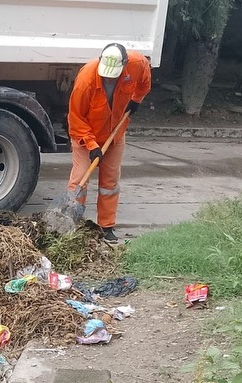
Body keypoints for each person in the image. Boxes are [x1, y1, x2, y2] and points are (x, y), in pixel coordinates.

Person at [67, 43, 151, 243]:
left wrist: (136, 100)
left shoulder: (137, 63)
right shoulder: (86, 80)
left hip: (115, 134)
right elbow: (75, 118)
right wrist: (92, 145)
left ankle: (106, 227)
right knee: (79, 179)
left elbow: (145, 81)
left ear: (125, 64)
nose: (109, 78)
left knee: (110, 182)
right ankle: (70, 221)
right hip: (86, 136)